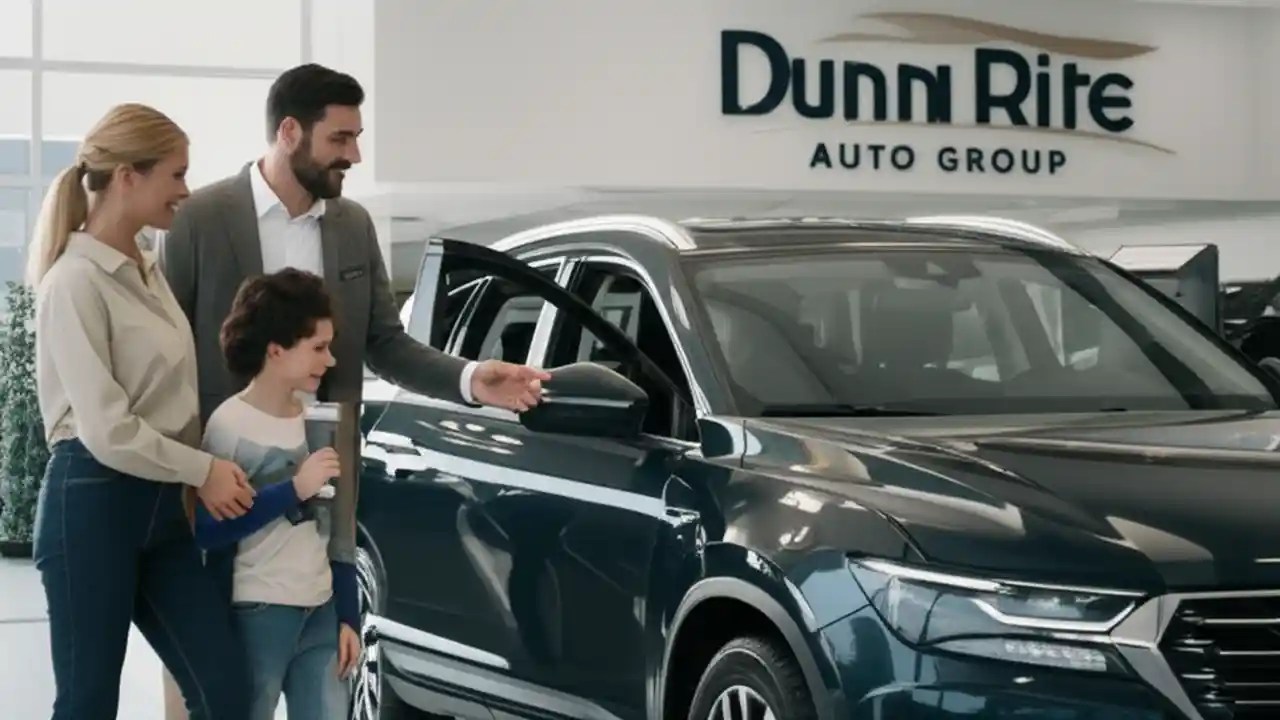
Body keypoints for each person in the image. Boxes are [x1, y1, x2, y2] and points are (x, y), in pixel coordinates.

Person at [159, 63, 550, 716]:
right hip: (221, 486)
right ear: (290, 132)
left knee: (322, 680)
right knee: (212, 691)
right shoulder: (202, 218)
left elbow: (385, 344)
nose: (355, 154)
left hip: (320, 490)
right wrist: (187, 469)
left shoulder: (352, 226)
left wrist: (471, 379)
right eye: (341, 138)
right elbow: (168, 354)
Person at [29, 102, 255, 719]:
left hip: (162, 507)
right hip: (93, 501)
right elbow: (106, 428)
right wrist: (201, 471)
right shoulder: (73, 281)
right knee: (88, 703)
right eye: (175, 174)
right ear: (128, 175)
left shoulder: (147, 269)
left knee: (225, 692)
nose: (185, 190)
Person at [193, 268, 356, 720]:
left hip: (321, 609)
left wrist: (348, 615)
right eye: (318, 348)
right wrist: (293, 489)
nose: (331, 360)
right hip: (258, 611)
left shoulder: (316, 416)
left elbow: (334, 522)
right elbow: (206, 531)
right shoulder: (230, 424)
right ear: (276, 349)